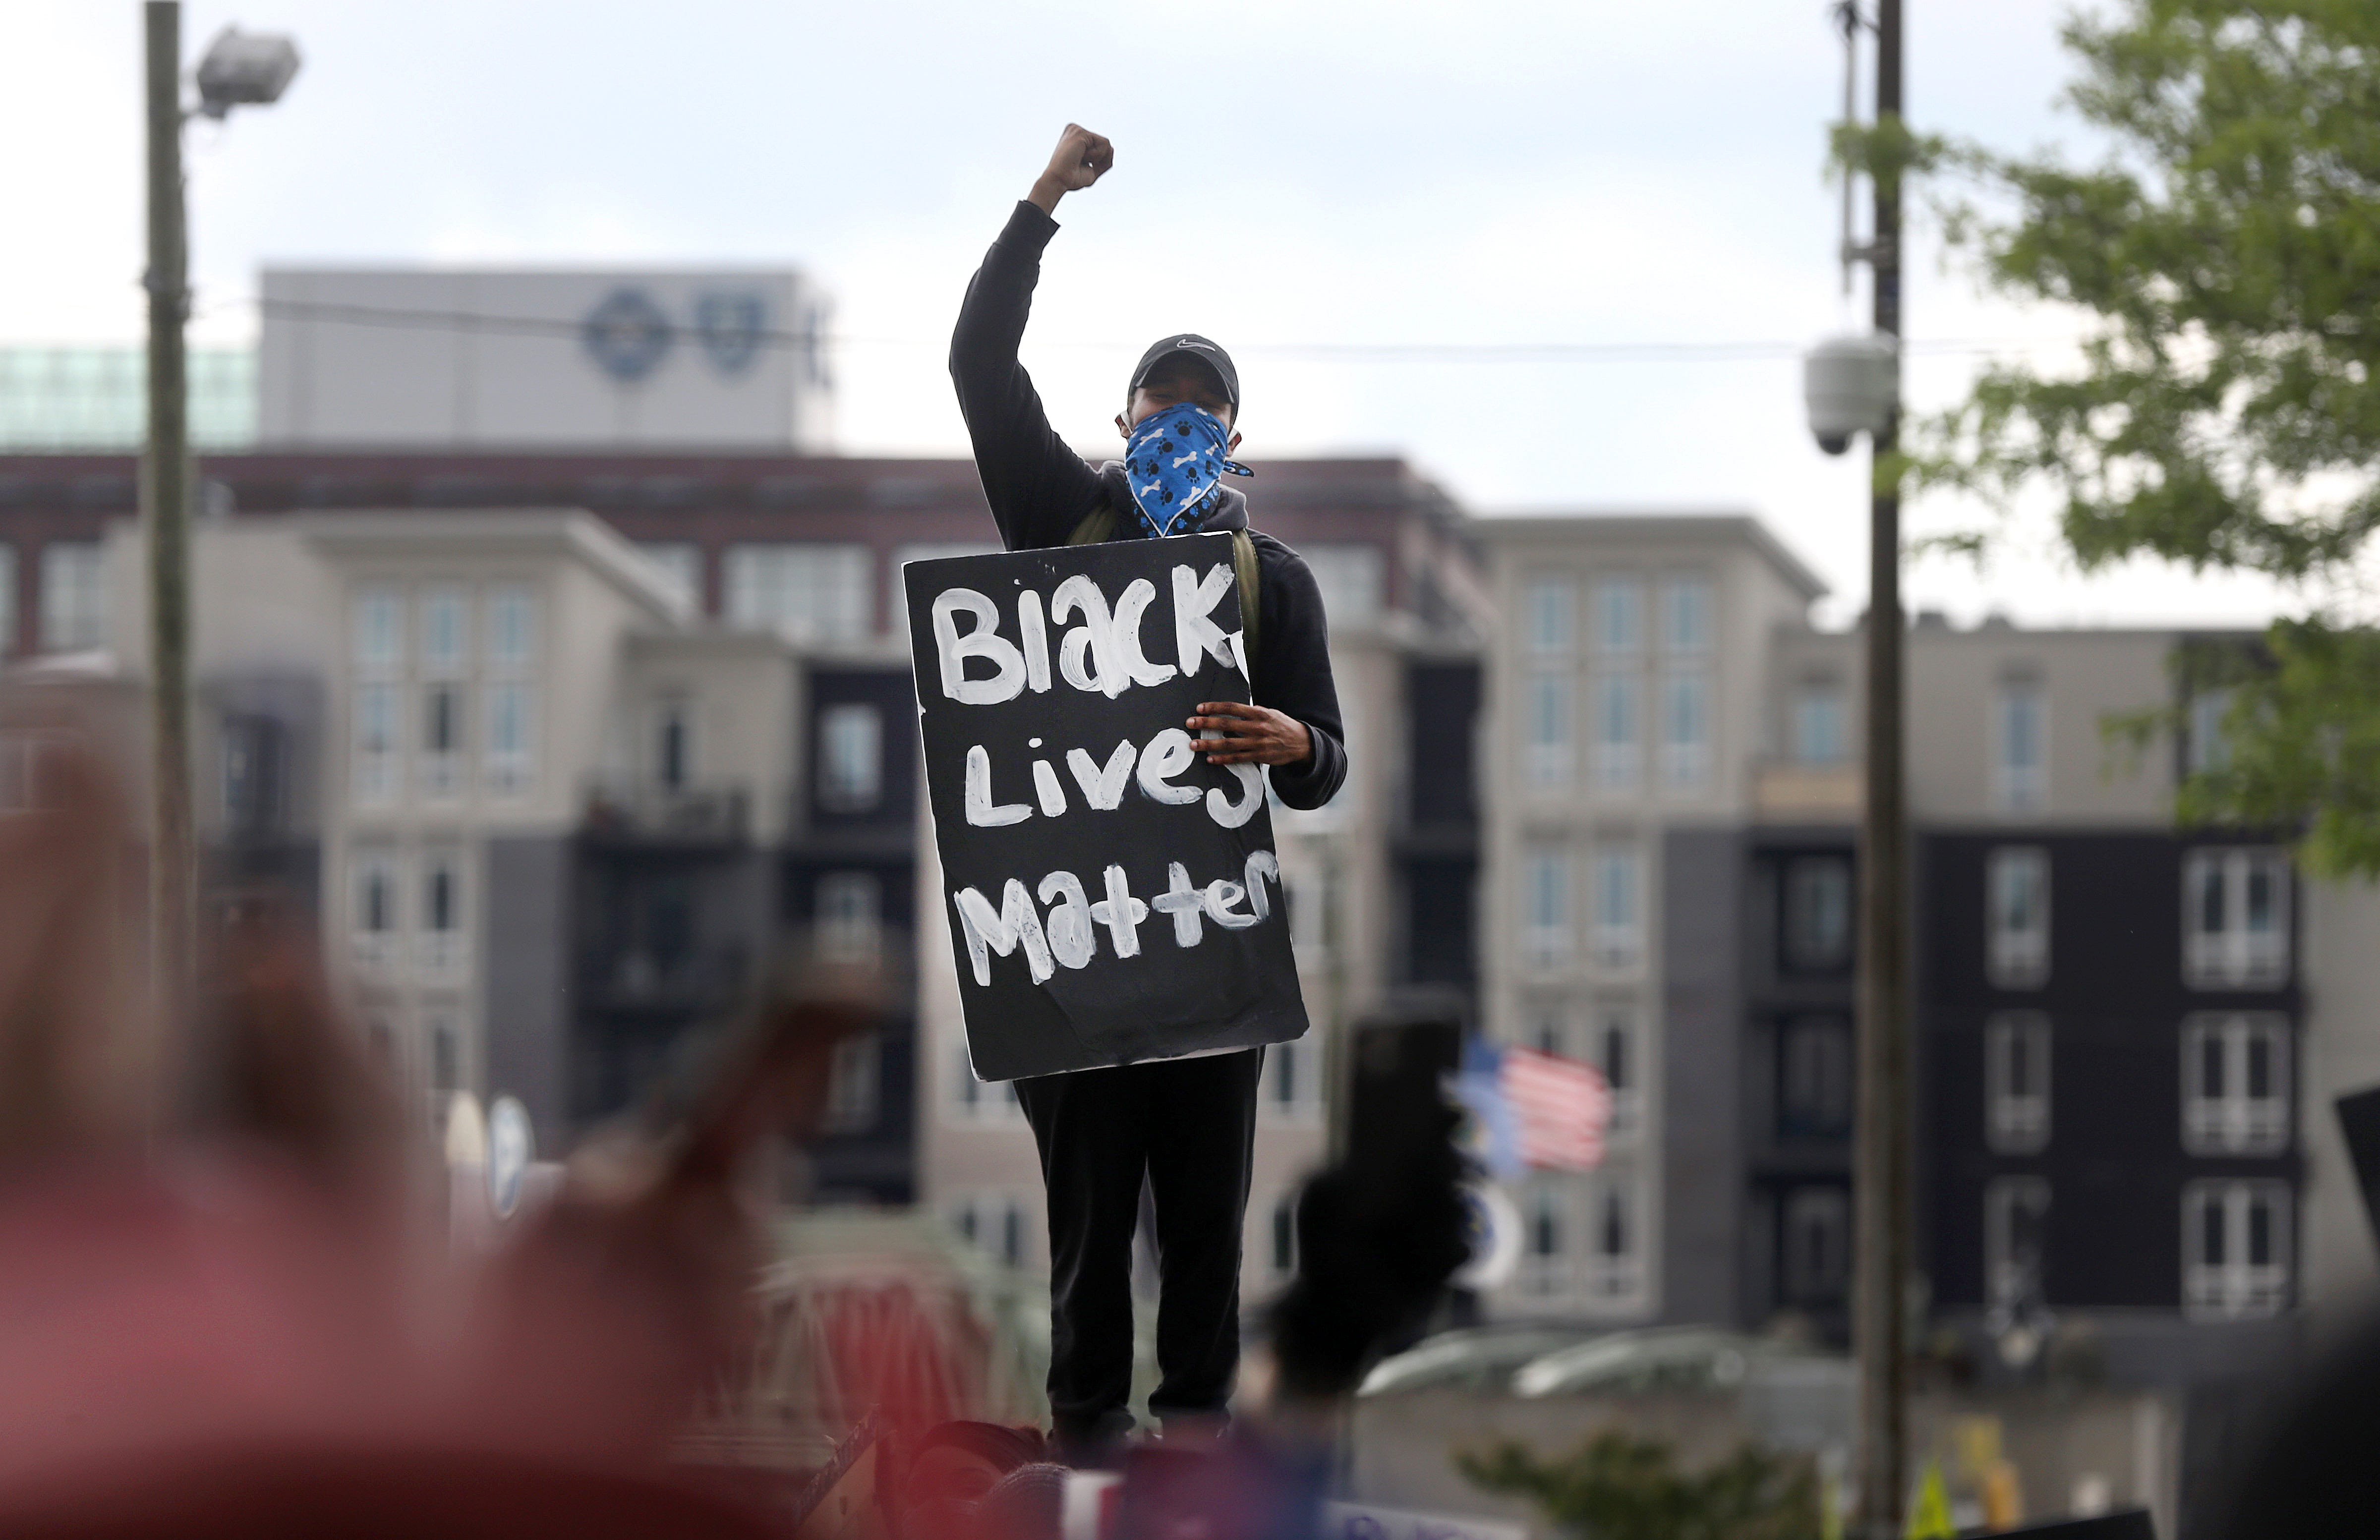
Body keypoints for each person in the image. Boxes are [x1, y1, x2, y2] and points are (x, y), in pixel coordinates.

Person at [949, 122, 1349, 1463]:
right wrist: (1040, 202)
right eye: (1154, 406)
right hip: (1073, 955)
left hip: (1206, 956)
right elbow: (977, 365)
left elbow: (1327, 762)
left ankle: (1188, 1460)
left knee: (1202, 1224)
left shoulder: (1268, 581)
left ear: (1234, 434)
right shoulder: (1061, 519)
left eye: (1198, 410)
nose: (1174, 425)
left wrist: (1286, 740)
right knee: (1086, 1227)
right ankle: (1080, 1452)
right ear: (1120, 420)